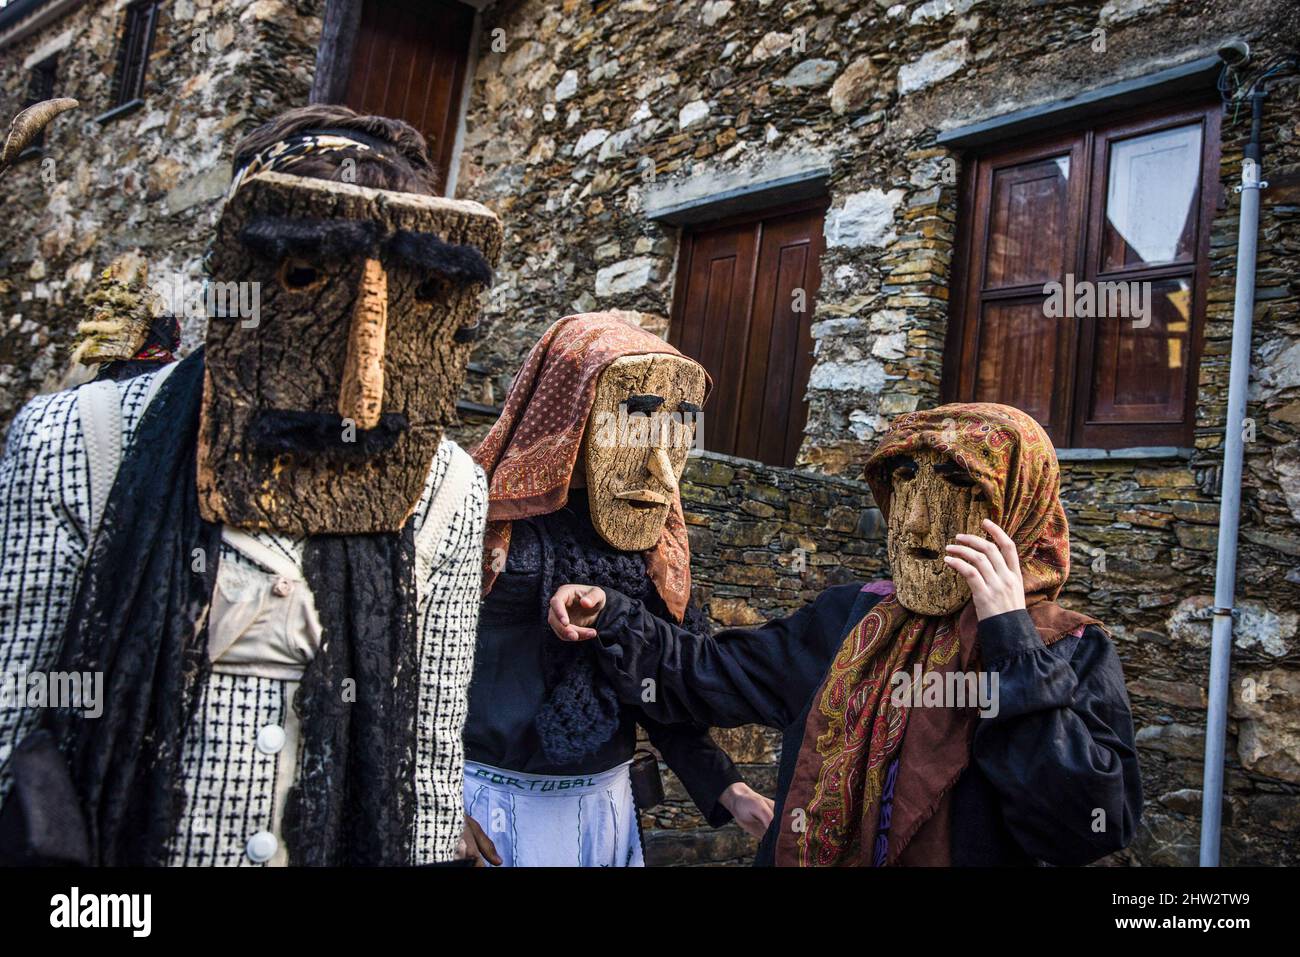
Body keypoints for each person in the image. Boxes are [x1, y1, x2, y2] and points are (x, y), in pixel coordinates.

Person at [0, 104, 502, 867]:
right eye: (305, 276)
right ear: (237, 270)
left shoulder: (446, 488)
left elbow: (424, 745)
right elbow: (15, 705)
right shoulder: (84, 439)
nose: (360, 380)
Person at [548, 403, 1141, 866]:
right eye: (904, 482)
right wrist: (614, 616)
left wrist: (1011, 640)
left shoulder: (1068, 646)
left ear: (1020, 505)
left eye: (960, 485)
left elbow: (1083, 824)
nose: (916, 520)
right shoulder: (849, 617)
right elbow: (710, 673)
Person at [463, 313, 773, 866]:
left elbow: (657, 677)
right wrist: (437, 806)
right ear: (572, 405)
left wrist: (727, 786)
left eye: (679, 426)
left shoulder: (649, 541)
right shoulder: (483, 518)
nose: (659, 462)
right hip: (484, 807)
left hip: (604, 810)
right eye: (637, 416)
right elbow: (410, 668)